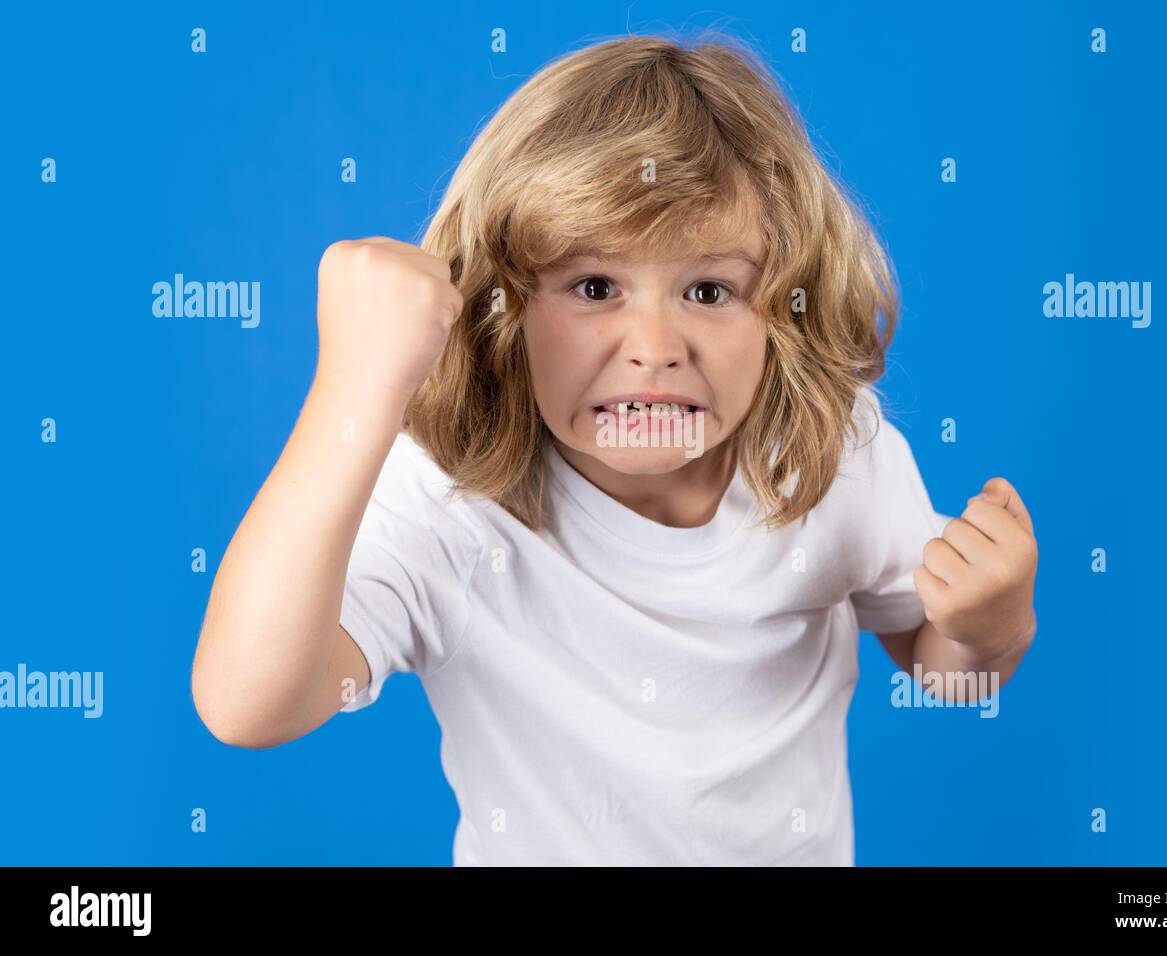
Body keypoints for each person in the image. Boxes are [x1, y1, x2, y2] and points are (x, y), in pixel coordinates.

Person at [191, 31, 1038, 866]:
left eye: (709, 290)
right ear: (500, 310)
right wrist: (353, 390)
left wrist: (989, 631)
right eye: (595, 287)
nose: (655, 347)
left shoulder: (829, 453)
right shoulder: (452, 500)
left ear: (785, 308)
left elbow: (937, 664)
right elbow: (247, 706)